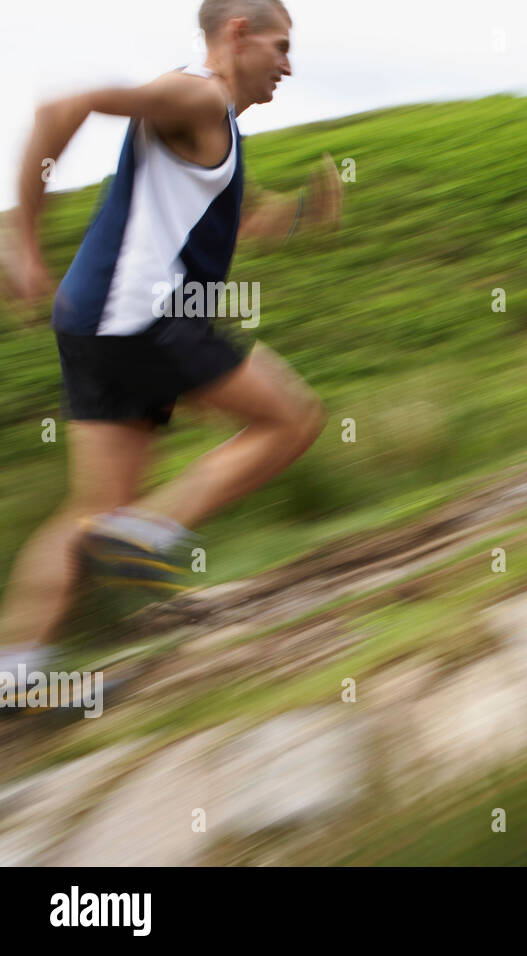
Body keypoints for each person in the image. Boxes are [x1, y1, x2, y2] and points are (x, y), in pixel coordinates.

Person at [0, 0, 325, 690]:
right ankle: (151, 531)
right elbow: (67, 102)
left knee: (90, 513)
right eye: (281, 46)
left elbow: (218, 221)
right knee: (291, 419)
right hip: (145, 318)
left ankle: (12, 672)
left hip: (97, 324)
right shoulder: (197, 97)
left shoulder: (210, 124)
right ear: (238, 34)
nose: (288, 66)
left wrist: (296, 216)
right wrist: (22, 240)